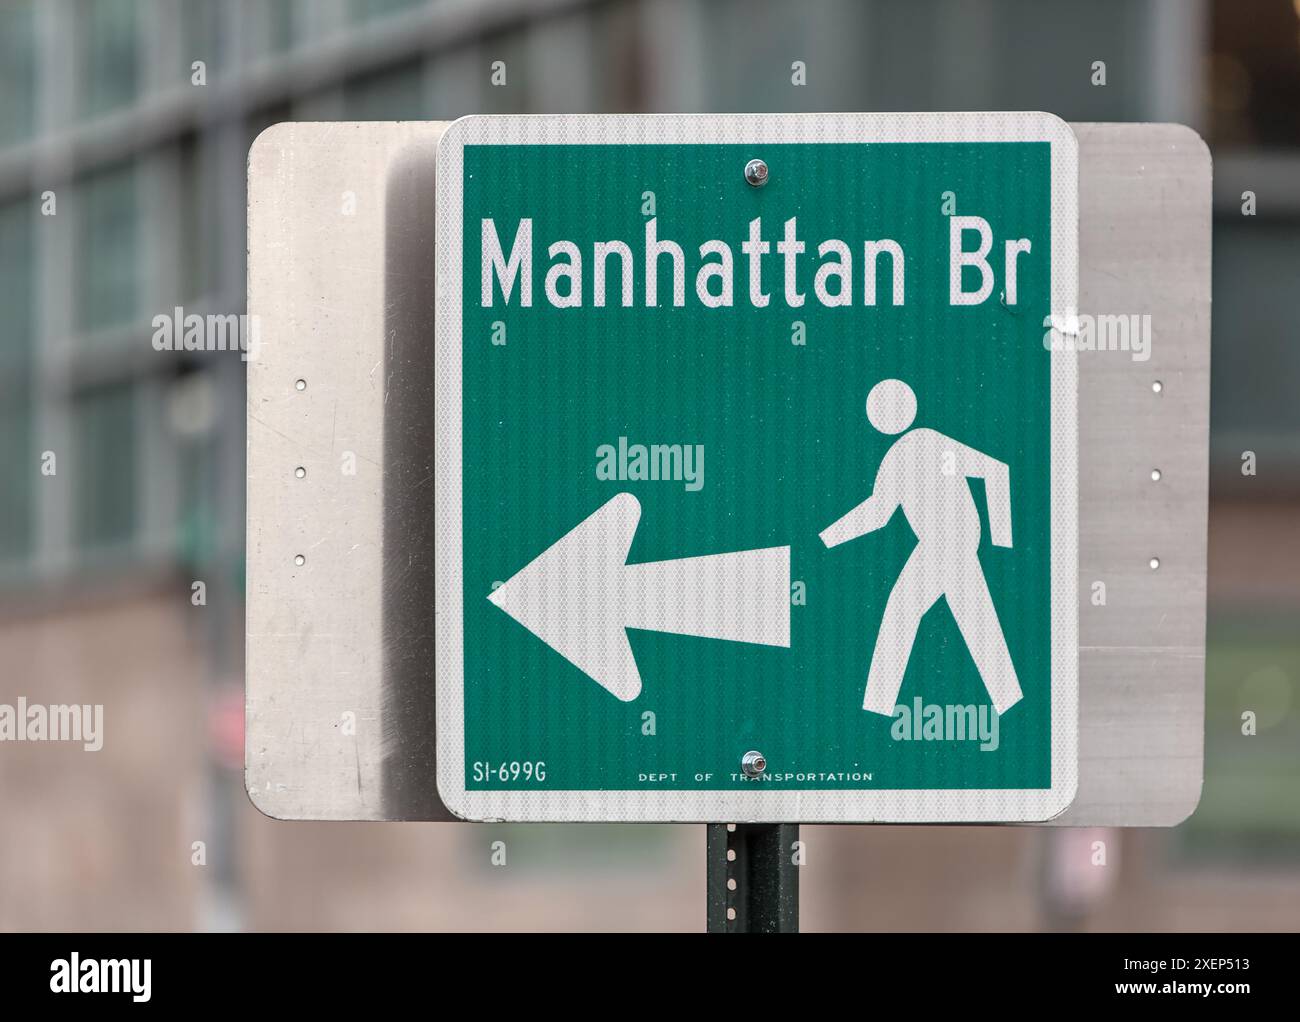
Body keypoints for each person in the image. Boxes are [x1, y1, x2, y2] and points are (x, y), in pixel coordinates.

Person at [819, 379, 1023, 716]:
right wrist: (829, 537)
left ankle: (877, 707)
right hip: (947, 544)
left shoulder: (926, 443)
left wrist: (1002, 541)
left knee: (903, 609)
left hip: (946, 543)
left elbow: (995, 471)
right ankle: (1009, 699)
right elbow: (878, 513)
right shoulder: (900, 455)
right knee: (974, 617)